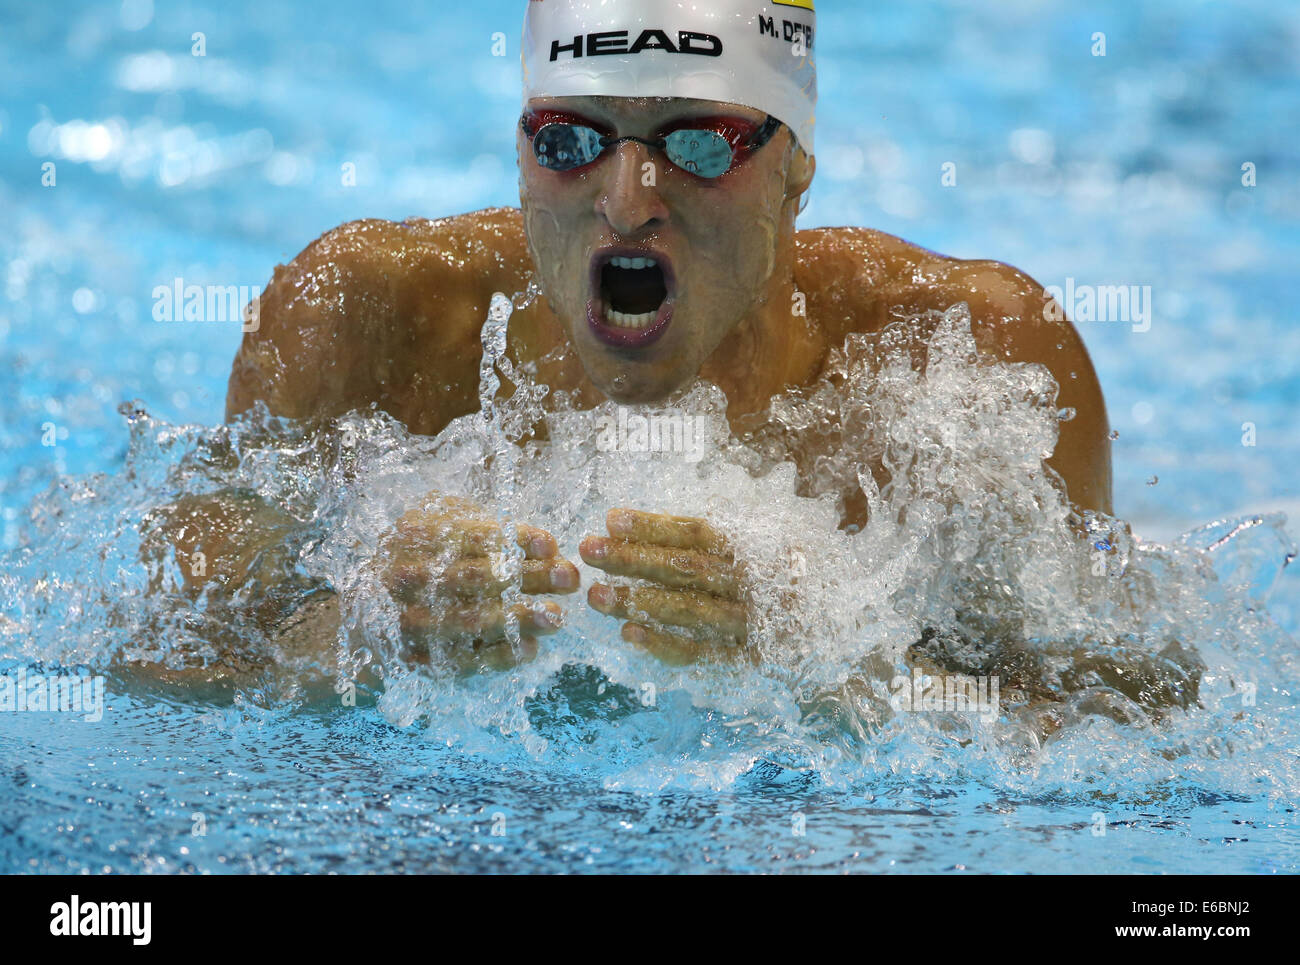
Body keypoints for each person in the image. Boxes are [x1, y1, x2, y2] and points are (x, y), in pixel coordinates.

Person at [170, 0, 1111, 674]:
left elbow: (1133, 704)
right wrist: (357, 634)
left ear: (797, 171)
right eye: (571, 141)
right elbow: (158, 654)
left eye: (697, 143)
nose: (625, 206)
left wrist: (823, 657)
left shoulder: (969, 359)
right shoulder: (360, 322)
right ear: (520, 149)